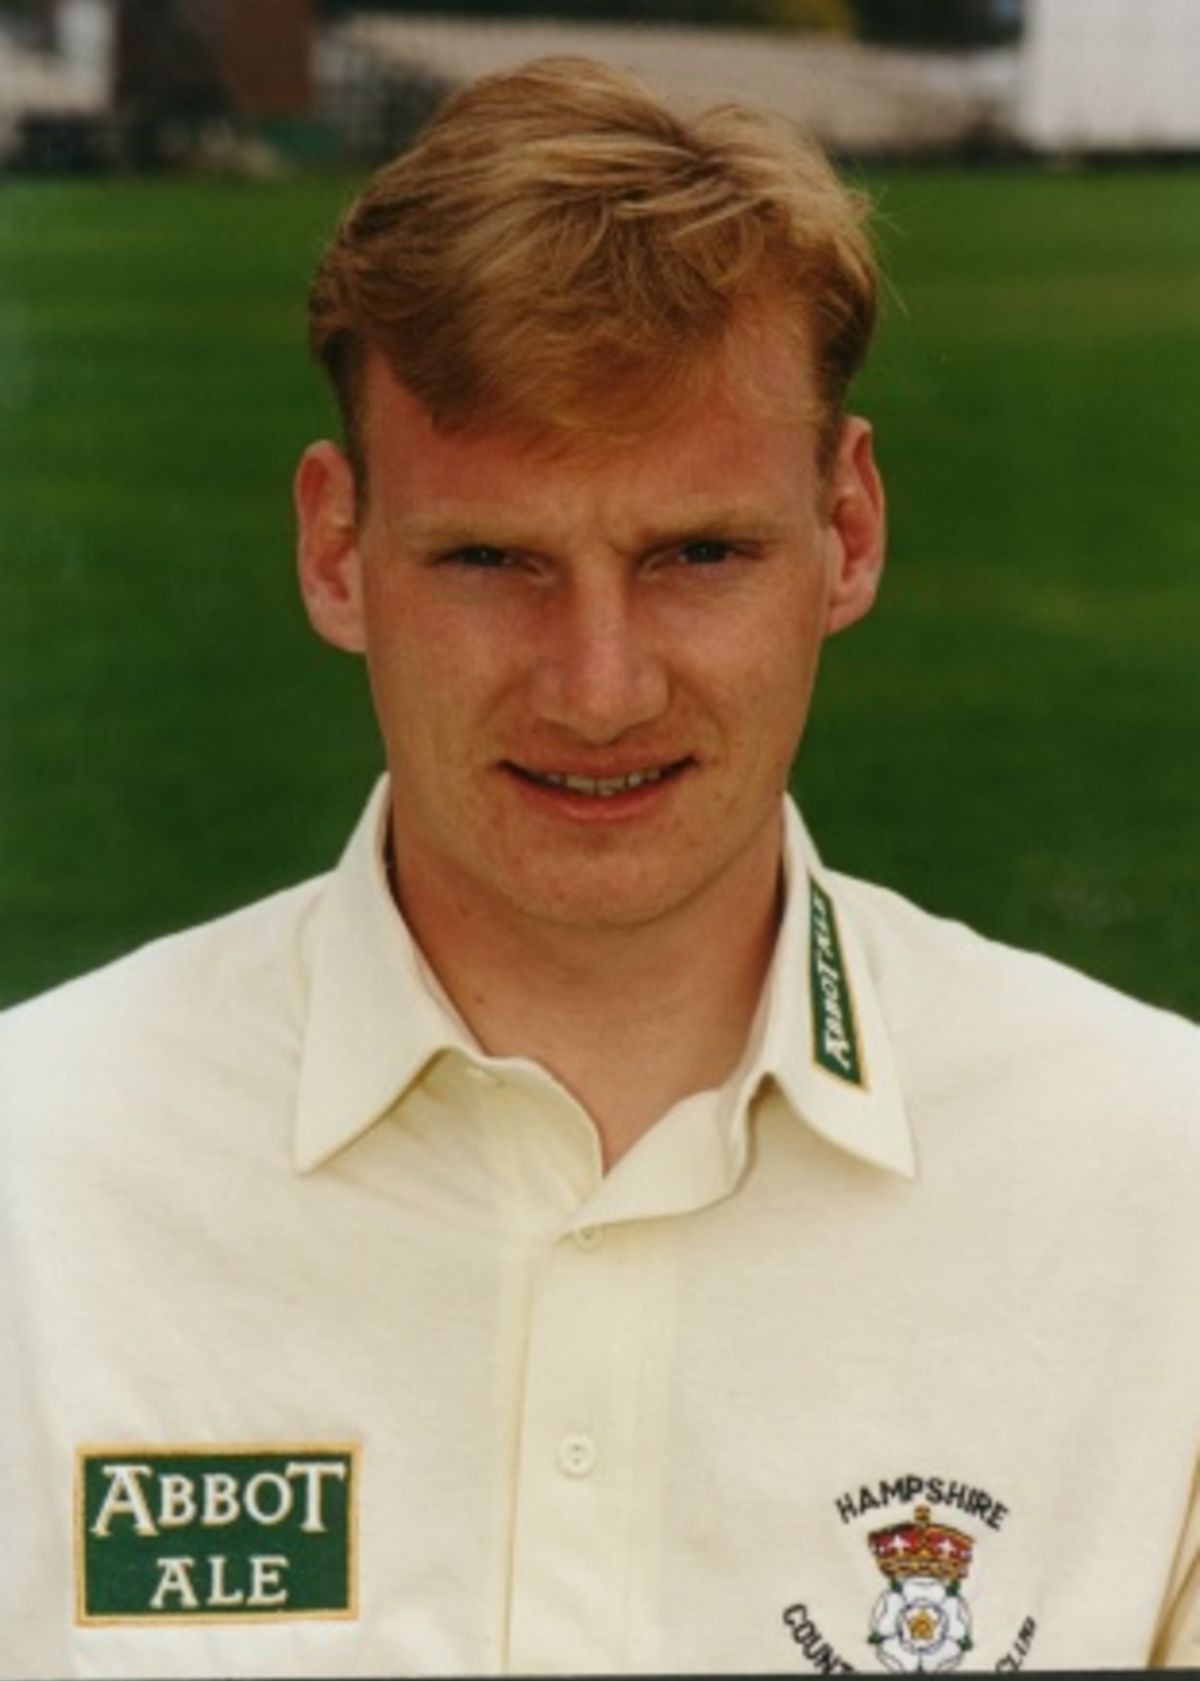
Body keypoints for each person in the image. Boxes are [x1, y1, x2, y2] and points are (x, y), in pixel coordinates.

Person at [1, 54, 1197, 1679]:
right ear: (336, 547)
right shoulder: (34, 1183)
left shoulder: (1158, 1187)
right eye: (491, 559)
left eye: (698, 552)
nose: (600, 685)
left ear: (845, 530)